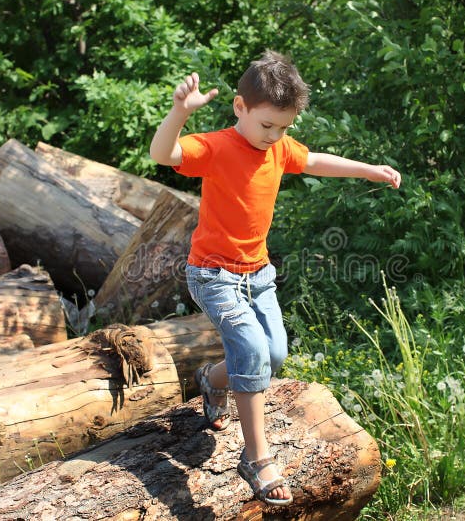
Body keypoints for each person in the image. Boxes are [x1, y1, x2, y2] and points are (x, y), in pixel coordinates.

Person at [149, 50, 400, 506]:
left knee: (275, 355)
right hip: (213, 275)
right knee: (251, 350)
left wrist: (368, 171)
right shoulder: (218, 146)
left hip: (258, 276)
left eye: (283, 128)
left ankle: (211, 380)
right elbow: (163, 153)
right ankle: (258, 457)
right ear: (239, 107)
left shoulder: (279, 148)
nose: (274, 137)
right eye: (266, 125)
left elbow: (317, 161)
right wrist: (178, 113)